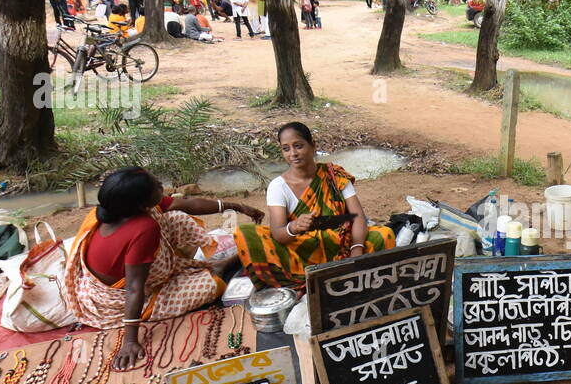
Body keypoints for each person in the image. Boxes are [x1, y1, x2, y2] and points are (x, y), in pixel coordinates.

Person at [61, 167, 265, 369]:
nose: (161, 185)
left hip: (139, 274)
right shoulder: (143, 228)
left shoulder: (124, 209)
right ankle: (218, 268)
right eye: (156, 185)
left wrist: (236, 207)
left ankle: (214, 265)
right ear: (141, 203)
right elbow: (133, 288)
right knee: (210, 286)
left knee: (177, 217)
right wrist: (130, 340)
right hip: (117, 298)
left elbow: (186, 204)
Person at [233, 122, 395, 289]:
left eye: (298, 146)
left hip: (341, 244)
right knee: (246, 233)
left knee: (384, 235)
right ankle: (306, 277)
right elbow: (278, 233)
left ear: (312, 145)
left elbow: (358, 217)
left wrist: (356, 251)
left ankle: (341, 270)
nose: (293, 154)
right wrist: (294, 227)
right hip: (301, 250)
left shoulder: (334, 175)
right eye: (286, 149)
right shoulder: (278, 186)